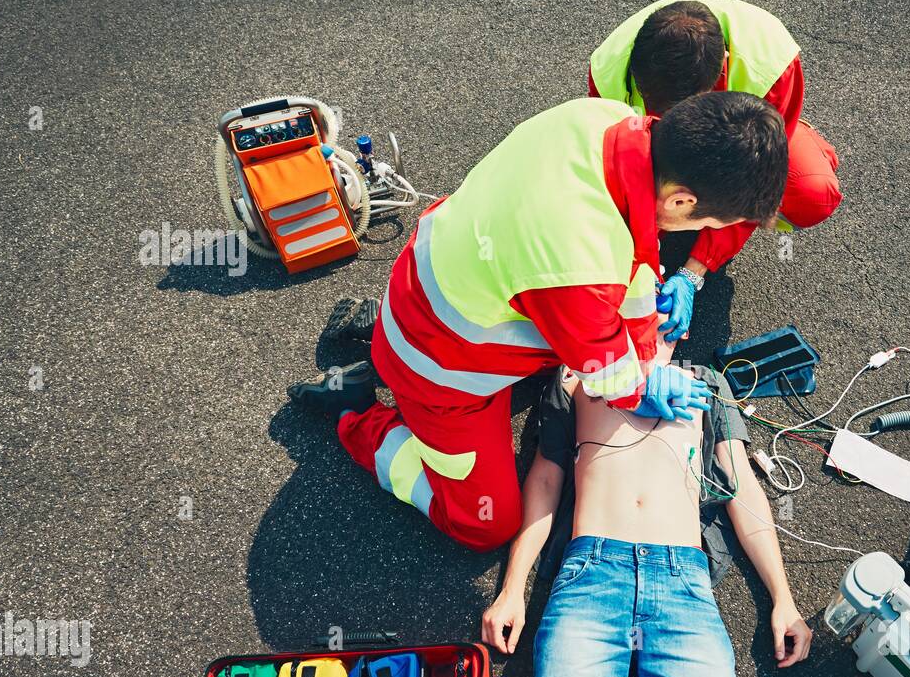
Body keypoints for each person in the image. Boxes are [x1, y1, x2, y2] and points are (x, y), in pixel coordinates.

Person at [288, 92, 788, 552]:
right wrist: (638, 385)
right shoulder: (576, 261)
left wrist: (640, 332)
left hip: (452, 278)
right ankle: (360, 417)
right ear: (681, 200)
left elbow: (631, 259)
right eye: (707, 224)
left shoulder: (605, 119)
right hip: (439, 367)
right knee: (486, 524)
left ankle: (384, 342)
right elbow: (604, 357)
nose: (703, 233)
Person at [481, 324, 813, 677]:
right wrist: (513, 588)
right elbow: (547, 477)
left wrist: (783, 599)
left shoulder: (704, 383)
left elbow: (742, 487)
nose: (652, 328)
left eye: (664, 316)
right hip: (591, 578)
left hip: (683, 585)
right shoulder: (577, 374)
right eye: (635, 311)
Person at [588, 0, 843, 342]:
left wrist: (695, 270)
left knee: (811, 193)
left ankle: (794, 137)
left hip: (747, 140)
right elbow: (619, 167)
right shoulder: (608, 69)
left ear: (722, 67)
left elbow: (752, 180)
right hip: (663, 150)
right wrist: (639, 256)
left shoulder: (771, 67)